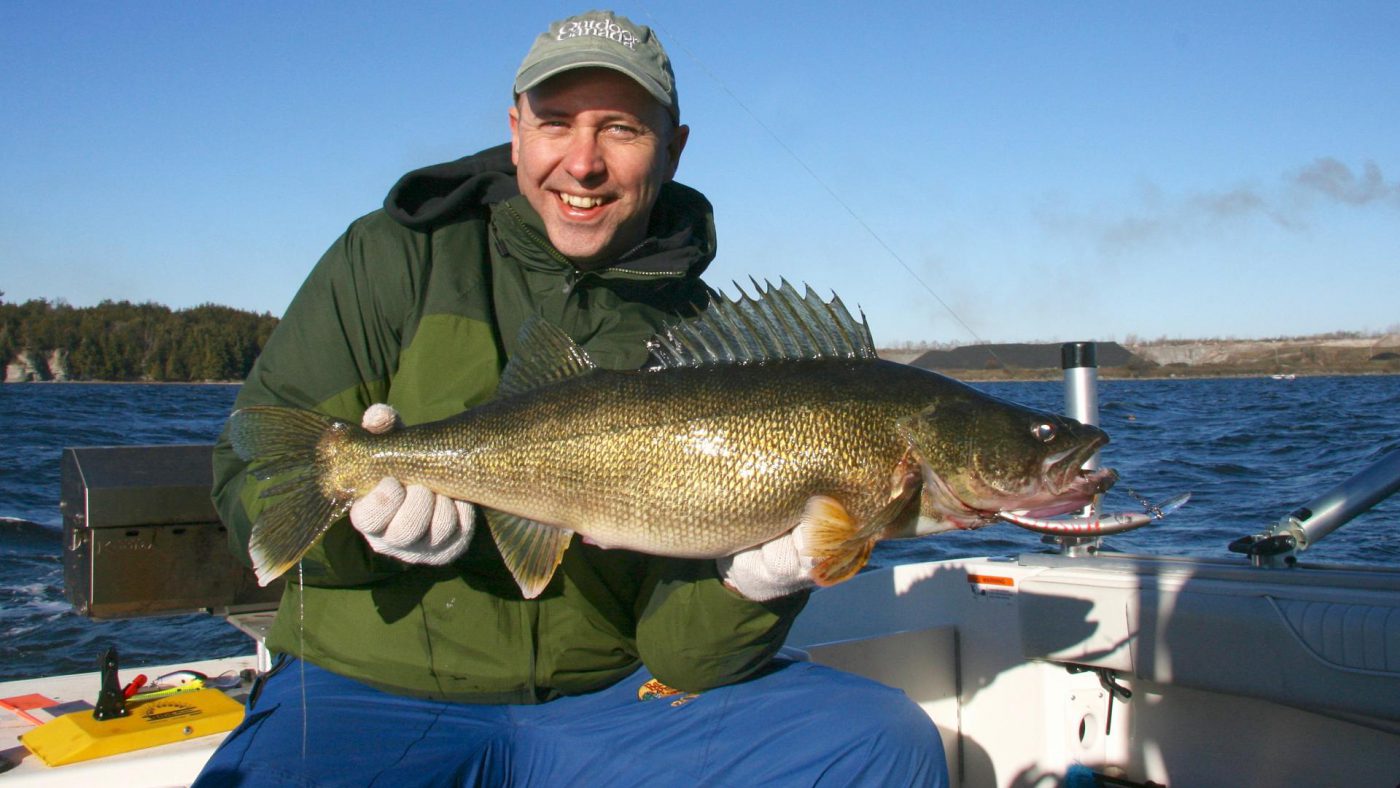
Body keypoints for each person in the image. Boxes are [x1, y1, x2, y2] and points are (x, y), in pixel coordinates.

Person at [199, 10, 947, 786]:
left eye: (621, 129)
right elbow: (249, 474)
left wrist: (751, 586)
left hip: (612, 700)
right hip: (371, 688)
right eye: (556, 123)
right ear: (516, 129)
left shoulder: (709, 344)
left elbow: (682, 655)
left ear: (674, 147)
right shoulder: (393, 256)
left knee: (883, 743)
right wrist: (363, 532)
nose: (582, 164)